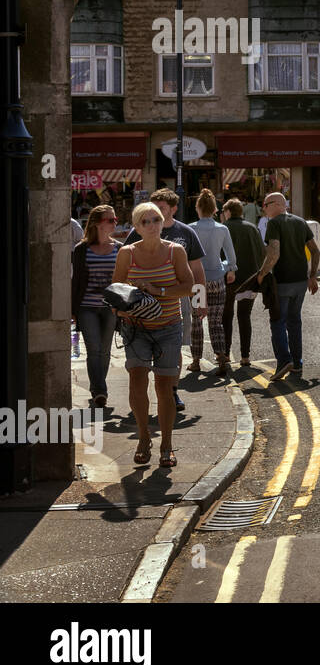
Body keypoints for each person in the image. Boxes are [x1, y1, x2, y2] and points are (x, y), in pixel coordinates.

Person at [113, 202, 194, 468]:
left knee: (165, 387)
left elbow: (187, 287)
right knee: (137, 379)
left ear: (163, 223)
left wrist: (156, 290)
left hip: (169, 325)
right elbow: (115, 289)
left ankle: (167, 444)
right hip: (136, 327)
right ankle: (144, 438)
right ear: (136, 227)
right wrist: (121, 308)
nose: (151, 225)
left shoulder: (175, 252)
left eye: (156, 220)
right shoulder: (127, 253)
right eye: (145, 221)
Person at [123, 188, 205, 413]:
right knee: (140, 364)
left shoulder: (186, 233)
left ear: (173, 209)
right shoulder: (137, 231)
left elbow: (197, 269)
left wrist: (200, 300)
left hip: (175, 302)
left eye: (161, 209)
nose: (155, 214)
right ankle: (142, 399)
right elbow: (124, 264)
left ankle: (172, 390)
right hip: (140, 308)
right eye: (153, 207)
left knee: (175, 348)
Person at [255, 192, 320, 381]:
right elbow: (315, 251)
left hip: (282, 282)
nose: (264, 210)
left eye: (265, 205)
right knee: (294, 322)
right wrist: (312, 276)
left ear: (275, 204)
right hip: (301, 282)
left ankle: (284, 360)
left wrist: (262, 274)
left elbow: (274, 253)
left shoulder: (274, 223)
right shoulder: (300, 222)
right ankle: (297, 364)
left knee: (277, 321)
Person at [71, 205, 122, 407]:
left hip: (110, 307)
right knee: (94, 349)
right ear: (97, 223)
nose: (114, 223)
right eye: (110, 220)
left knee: (105, 350)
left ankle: (98, 388)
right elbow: (75, 282)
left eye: (115, 219)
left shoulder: (119, 248)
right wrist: (72, 310)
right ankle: (100, 391)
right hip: (86, 306)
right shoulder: (81, 249)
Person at [188, 189, 237, 377]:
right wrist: (226, 268)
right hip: (217, 280)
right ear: (215, 209)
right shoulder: (222, 229)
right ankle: (221, 357)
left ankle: (195, 361)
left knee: (196, 322)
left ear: (198, 208)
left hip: (198, 282)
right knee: (216, 323)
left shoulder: (190, 228)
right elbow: (231, 258)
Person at [221, 198, 266, 368]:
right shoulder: (252, 228)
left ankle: (225, 354)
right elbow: (262, 253)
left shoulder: (224, 229)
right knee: (244, 316)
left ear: (227, 212)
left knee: (227, 316)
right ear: (241, 212)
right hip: (250, 279)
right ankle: (245, 357)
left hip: (228, 279)